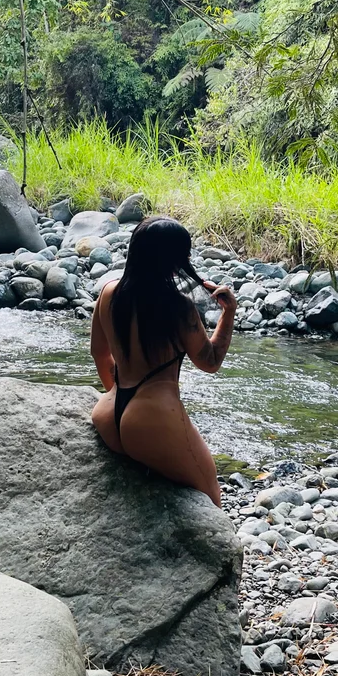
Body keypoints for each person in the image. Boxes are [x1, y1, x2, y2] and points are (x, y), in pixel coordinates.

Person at [90, 216, 236, 507]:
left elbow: (99, 353)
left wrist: (122, 405)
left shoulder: (109, 292)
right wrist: (228, 313)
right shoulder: (178, 307)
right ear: (173, 260)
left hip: (108, 413)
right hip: (152, 419)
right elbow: (210, 361)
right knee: (211, 495)